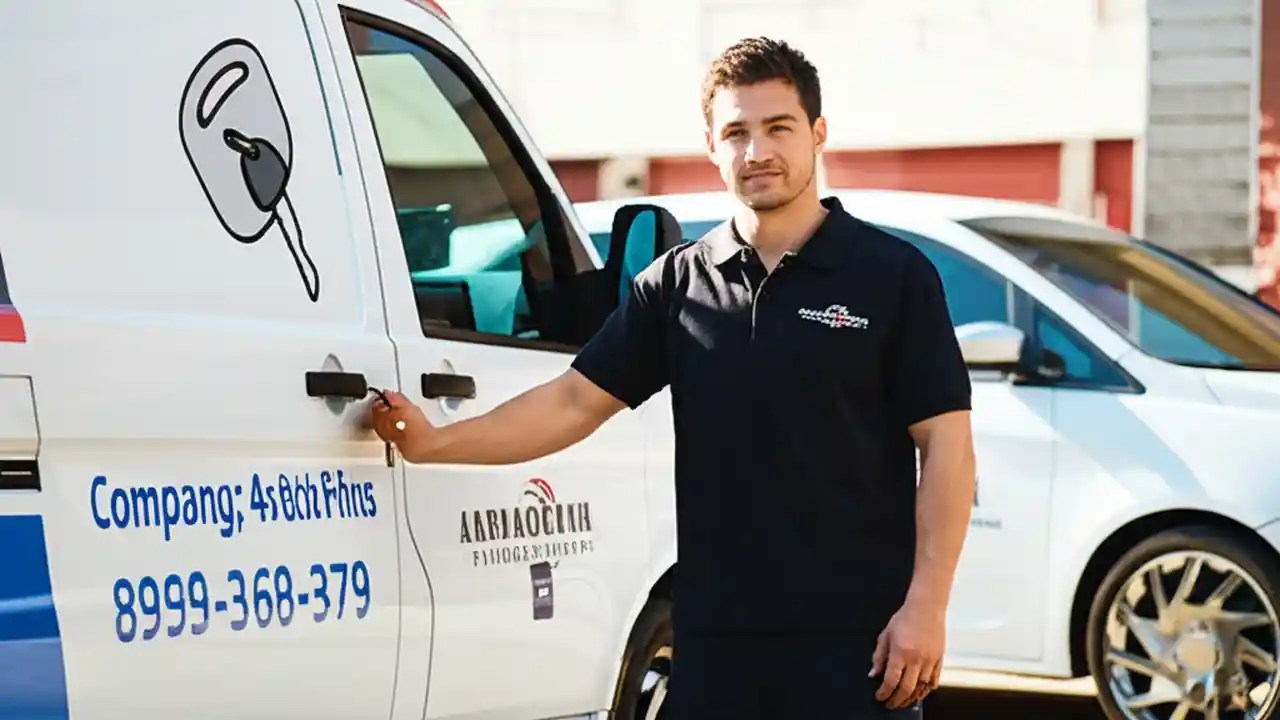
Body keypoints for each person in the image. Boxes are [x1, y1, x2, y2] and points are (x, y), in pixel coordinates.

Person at [369, 36, 977, 719]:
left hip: (856, 648)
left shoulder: (893, 277)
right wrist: (434, 442)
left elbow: (947, 447)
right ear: (712, 146)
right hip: (716, 648)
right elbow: (572, 402)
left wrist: (927, 606)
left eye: (778, 128)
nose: (757, 152)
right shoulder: (678, 284)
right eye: (736, 133)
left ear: (817, 133)